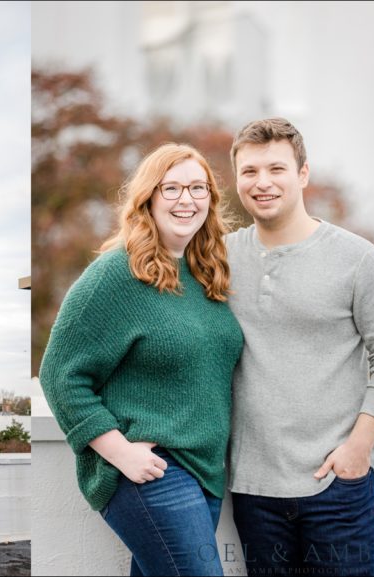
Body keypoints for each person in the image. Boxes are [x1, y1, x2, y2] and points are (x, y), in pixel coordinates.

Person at [39, 143, 244, 576]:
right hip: (151, 472)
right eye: (171, 188)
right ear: (148, 197)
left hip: (205, 471)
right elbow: (59, 374)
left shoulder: (207, 275)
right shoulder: (116, 273)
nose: (186, 199)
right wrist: (120, 452)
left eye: (198, 188)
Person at [226, 117, 374, 576]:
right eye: (250, 171)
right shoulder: (220, 259)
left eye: (276, 169)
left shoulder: (358, 259)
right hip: (252, 489)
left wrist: (358, 449)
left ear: (303, 174)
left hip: (337, 485)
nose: (262, 182)